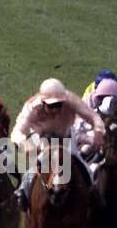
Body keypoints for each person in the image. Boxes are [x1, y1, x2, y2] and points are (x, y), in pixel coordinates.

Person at [12, 78, 104, 211]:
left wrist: (98, 131)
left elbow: (94, 117)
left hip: (66, 137)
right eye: (51, 106)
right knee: (37, 165)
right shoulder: (31, 107)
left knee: (82, 164)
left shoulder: (71, 100)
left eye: (59, 105)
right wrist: (24, 143)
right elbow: (16, 132)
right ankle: (23, 191)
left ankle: (93, 192)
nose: (55, 110)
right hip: (43, 139)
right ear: (42, 102)